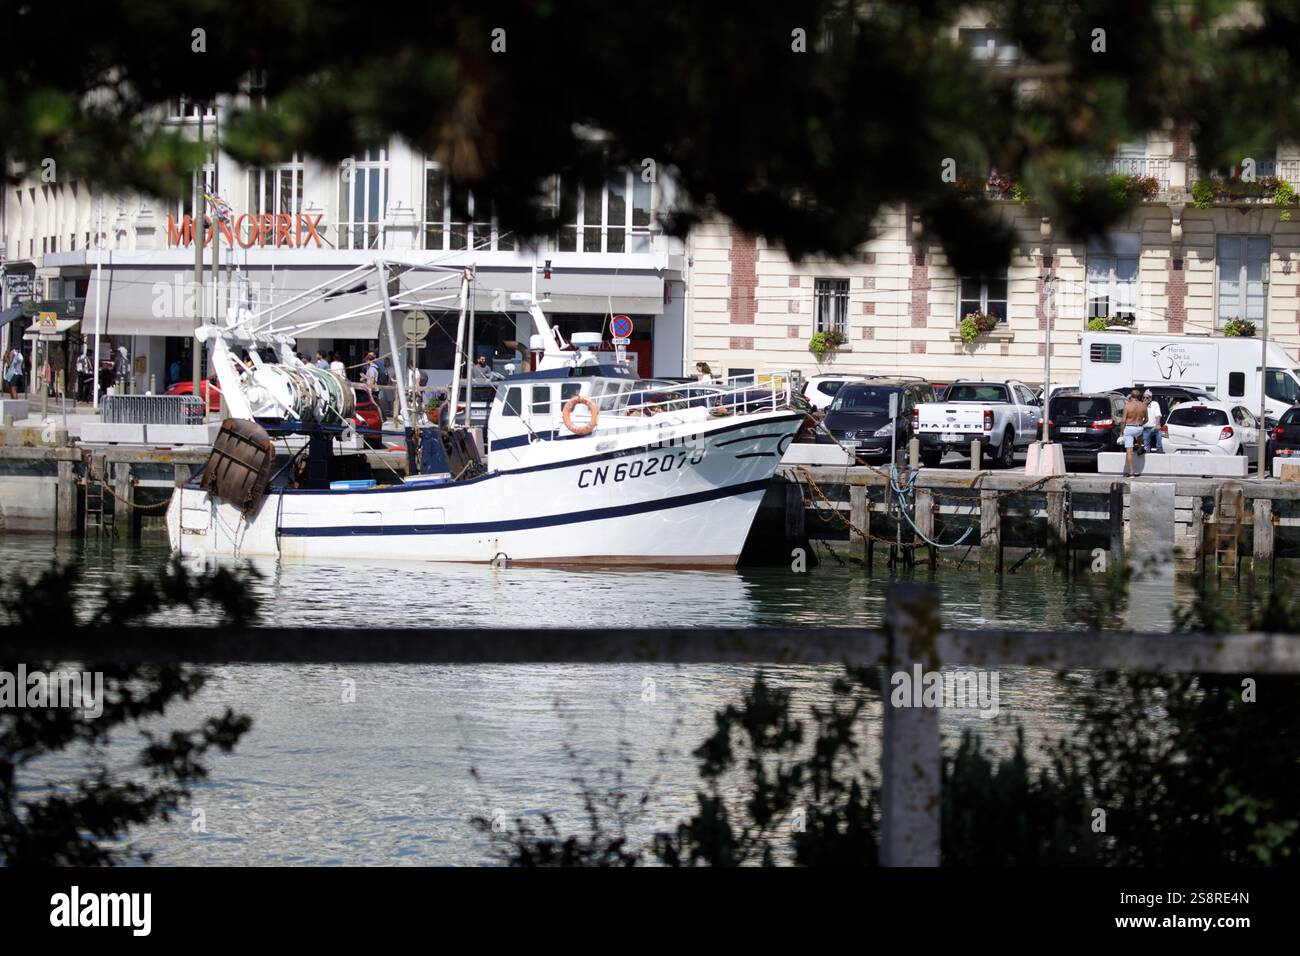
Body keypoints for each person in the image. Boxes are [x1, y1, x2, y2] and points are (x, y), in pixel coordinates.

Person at [1121, 388, 1147, 477]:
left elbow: (1123, 421)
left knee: (1129, 452)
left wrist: (1121, 432)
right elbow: (1146, 419)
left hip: (1129, 427)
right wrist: (1140, 424)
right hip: (1139, 427)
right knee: (1139, 434)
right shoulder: (1143, 406)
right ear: (1139, 397)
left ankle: (1131, 472)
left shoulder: (1127, 406)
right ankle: (1140, 448)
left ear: (1131, 396)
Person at [1142, 389, 1164, 454]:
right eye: (1143, 397)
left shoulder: (1155, 404)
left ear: (1150, 398)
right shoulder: (1141, 405)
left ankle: (1159, 449)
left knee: (1158, 431)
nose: (1145, 399)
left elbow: (1158, 415)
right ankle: (1147, 451)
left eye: (1147, 397)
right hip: (1145, 428)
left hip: (1153, 427)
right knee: (1146, 446)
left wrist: (1158, 424)